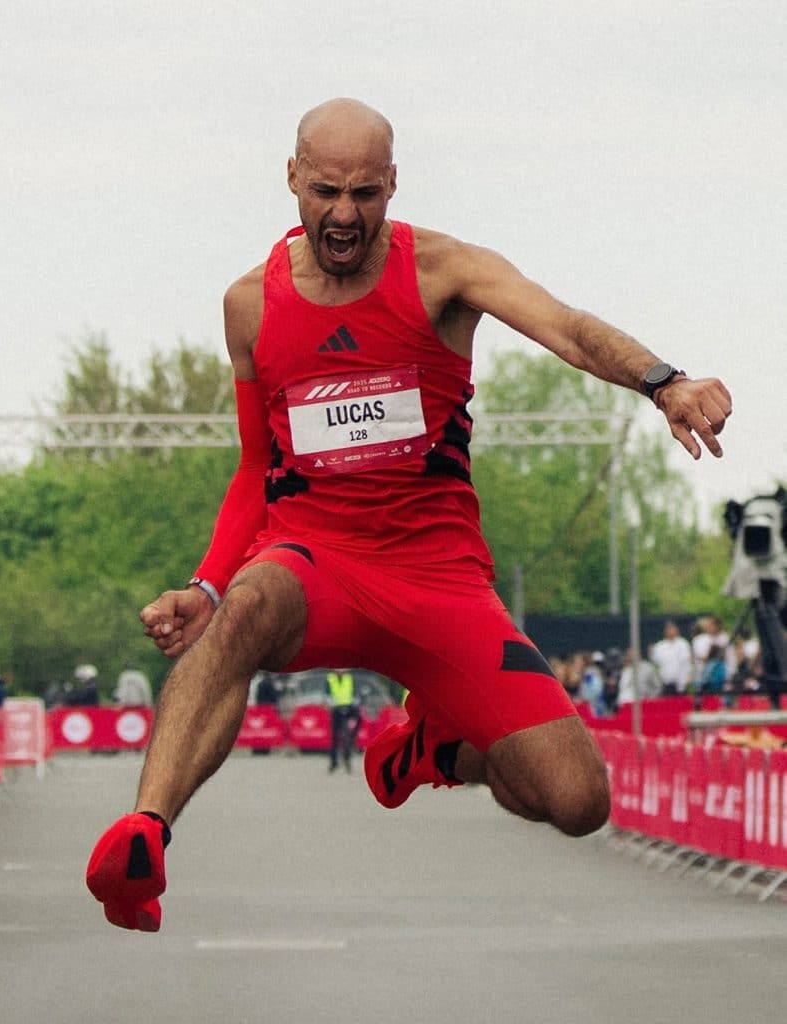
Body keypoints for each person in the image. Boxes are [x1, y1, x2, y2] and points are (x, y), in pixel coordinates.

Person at [85, 97, 733, 931]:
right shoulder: (250, 306)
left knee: (577, 800)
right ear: (291, 180)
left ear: (393, 184)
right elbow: (258, 466)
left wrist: (664, 382)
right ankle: (145, 836)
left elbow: (567, 329)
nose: (344, 215)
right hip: (312, 561)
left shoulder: (444, 272)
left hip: (439, 580)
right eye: (325, 192)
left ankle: (431, 751)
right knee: (242, 612)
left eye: (364, 194)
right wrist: (206, 587)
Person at [325, 669, 362, 773]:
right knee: (334, 737)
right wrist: (330, 704)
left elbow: (355, 695)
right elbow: (327, 695)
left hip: (349, 710)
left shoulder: (349, 679)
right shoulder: (330, 679)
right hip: (336, 710)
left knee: (348, 737)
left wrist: (354, 707)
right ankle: (333, 762)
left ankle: (347, 759)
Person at [650, 621, 693, 696]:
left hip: (681, 682)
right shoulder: (660, 646)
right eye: (668, 629)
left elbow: (686, 662)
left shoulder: (682, 644)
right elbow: (656, 662)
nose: (670, 632)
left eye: (672, 629)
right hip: (666, 682)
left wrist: (686, 678)